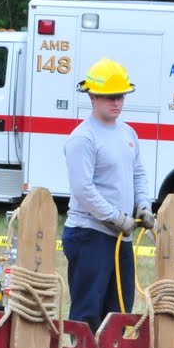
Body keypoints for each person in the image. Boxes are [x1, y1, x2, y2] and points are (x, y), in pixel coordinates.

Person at [62, 57, 154, 332]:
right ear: (92, 96)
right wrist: (116, 218)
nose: (117, 102)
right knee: (88, 312)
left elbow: (138, 173)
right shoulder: (83, 138)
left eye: (121, 96)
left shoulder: (128, 133)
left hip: (118, 236)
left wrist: (143, 205)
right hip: (89, 234)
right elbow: (83, 190)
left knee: (120, 311)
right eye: (110, 97)